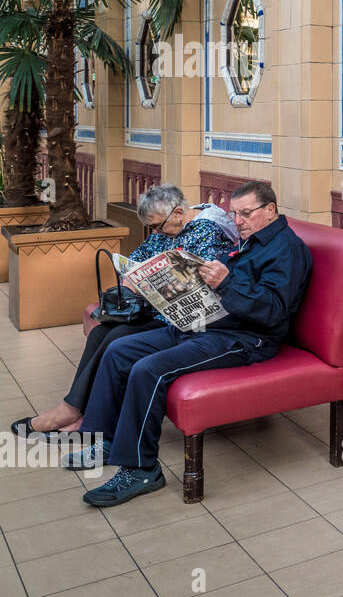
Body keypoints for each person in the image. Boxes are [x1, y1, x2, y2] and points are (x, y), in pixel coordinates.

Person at [63, 180, 313, 507]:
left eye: (246, 214)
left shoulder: (288, 249)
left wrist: (226, 282)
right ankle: (108, 440)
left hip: (245, 338)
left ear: (270, 210)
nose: (237, 221)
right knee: (118, 350)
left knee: (148, 370)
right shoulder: (252, 239)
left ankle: (141, 469)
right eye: (235, 214)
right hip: (206, 321)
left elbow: (273, 312)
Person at [9, 185, 238, 440]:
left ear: (177, 213)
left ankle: (77, 414)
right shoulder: (167, 228)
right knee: (101, 332)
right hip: (155, 310)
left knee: (115, 339)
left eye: (158, 226)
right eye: (151, 228)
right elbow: (140, 256)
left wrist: (154, 284)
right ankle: (73, 409)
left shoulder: (209, 232)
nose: (155, 232)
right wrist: (132, 277)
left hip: (182, 320)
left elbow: (202, 284)